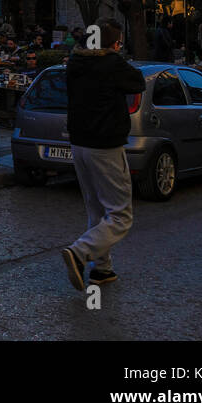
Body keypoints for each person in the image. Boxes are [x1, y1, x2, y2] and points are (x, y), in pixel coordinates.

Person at [60, 20, 146, 291]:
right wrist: (115, 55)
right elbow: (138, 83)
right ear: (112, 44)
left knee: (96, 210)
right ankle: (80, 252)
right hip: (106, 144)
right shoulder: (111, 64)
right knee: (121, 214)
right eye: (118, 42)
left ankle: (102, 269)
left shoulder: (75, 64)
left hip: (79, 143)